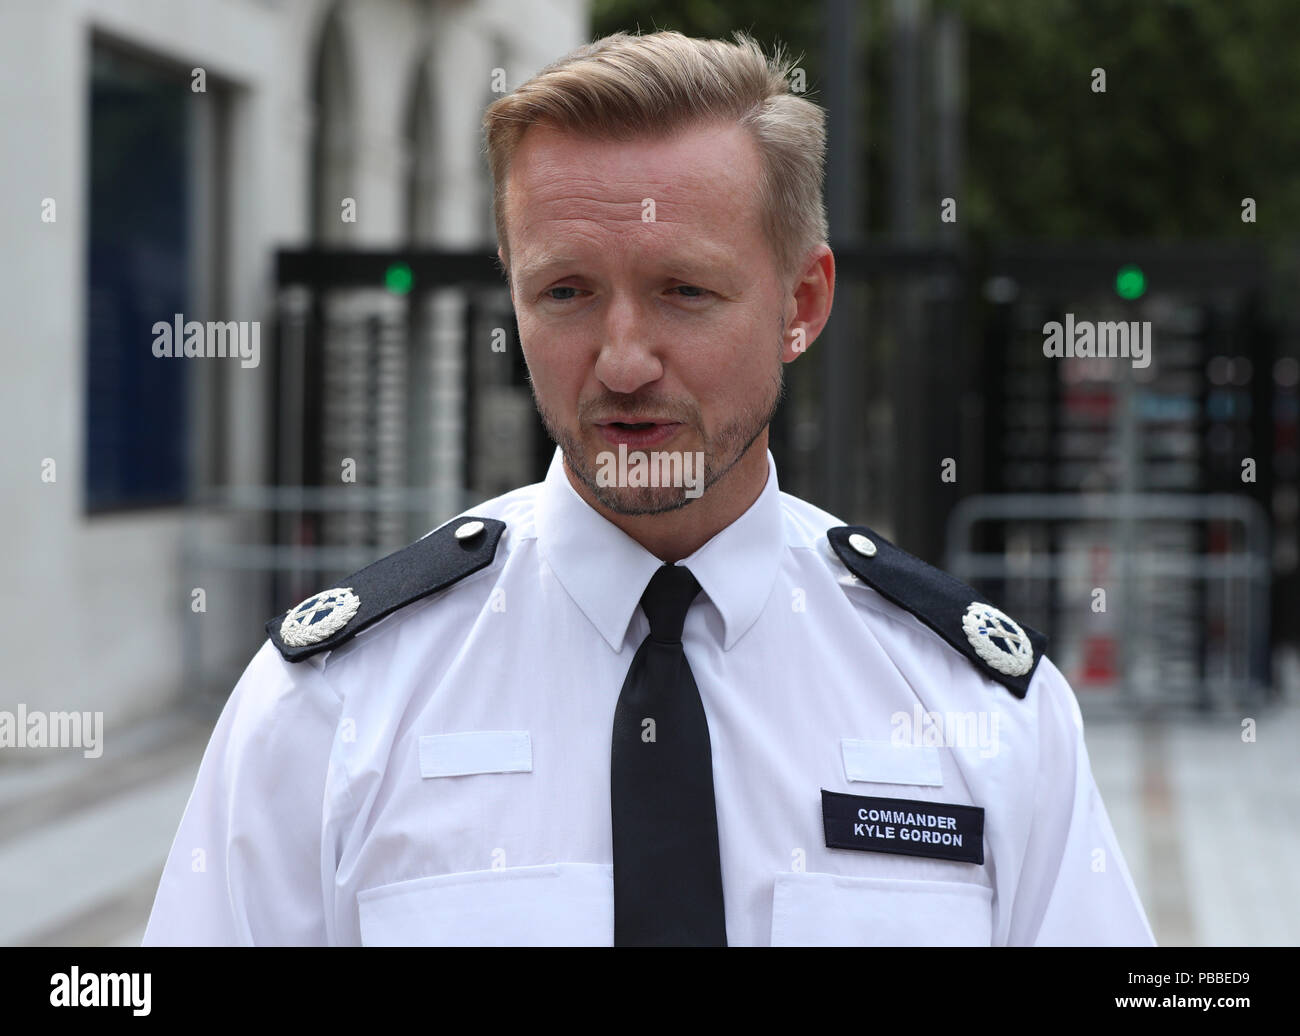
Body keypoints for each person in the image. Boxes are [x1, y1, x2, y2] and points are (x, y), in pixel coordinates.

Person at [142, 29, 1155, 947]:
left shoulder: (973, 706)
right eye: (567, 292)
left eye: (684, 290)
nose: (623, 360)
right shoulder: (333, 706)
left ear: (801, 302)